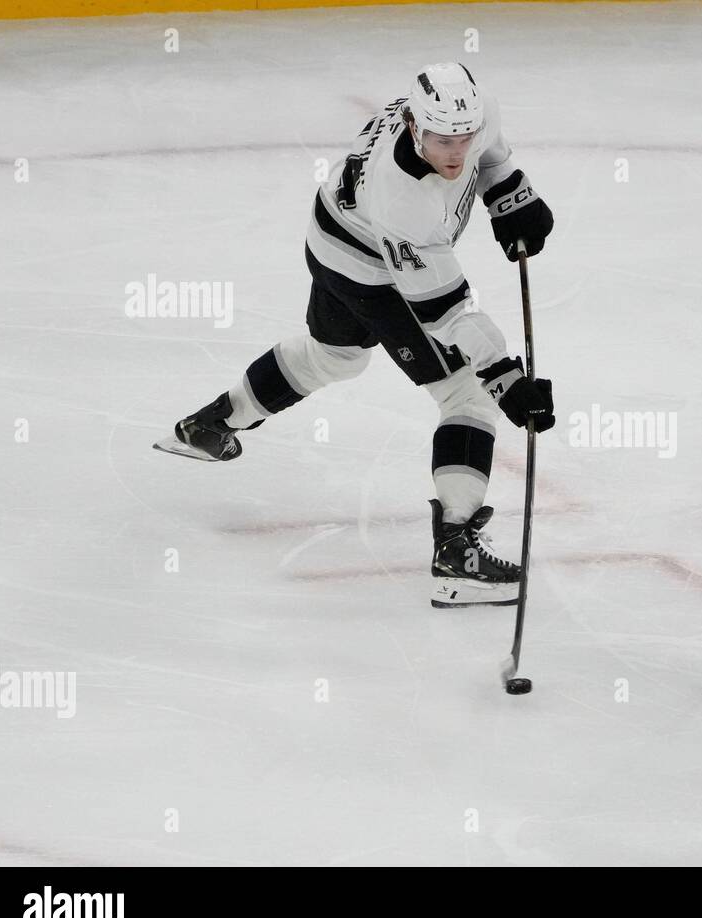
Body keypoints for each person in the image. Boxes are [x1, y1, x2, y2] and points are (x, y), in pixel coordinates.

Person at [157, 63, 555, 609]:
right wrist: (504, 376)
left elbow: (490, 155)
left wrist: (513, 198)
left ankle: (212, 423)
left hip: (328, 238)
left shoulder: (469, 110)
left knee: (334, 357)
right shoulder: (403, 199)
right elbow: (446, 312)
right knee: (467, 391)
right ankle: (456, 551)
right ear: (415, 128)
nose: (456, 152)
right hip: (374, 270)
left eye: (464, 136)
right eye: (442, 141)